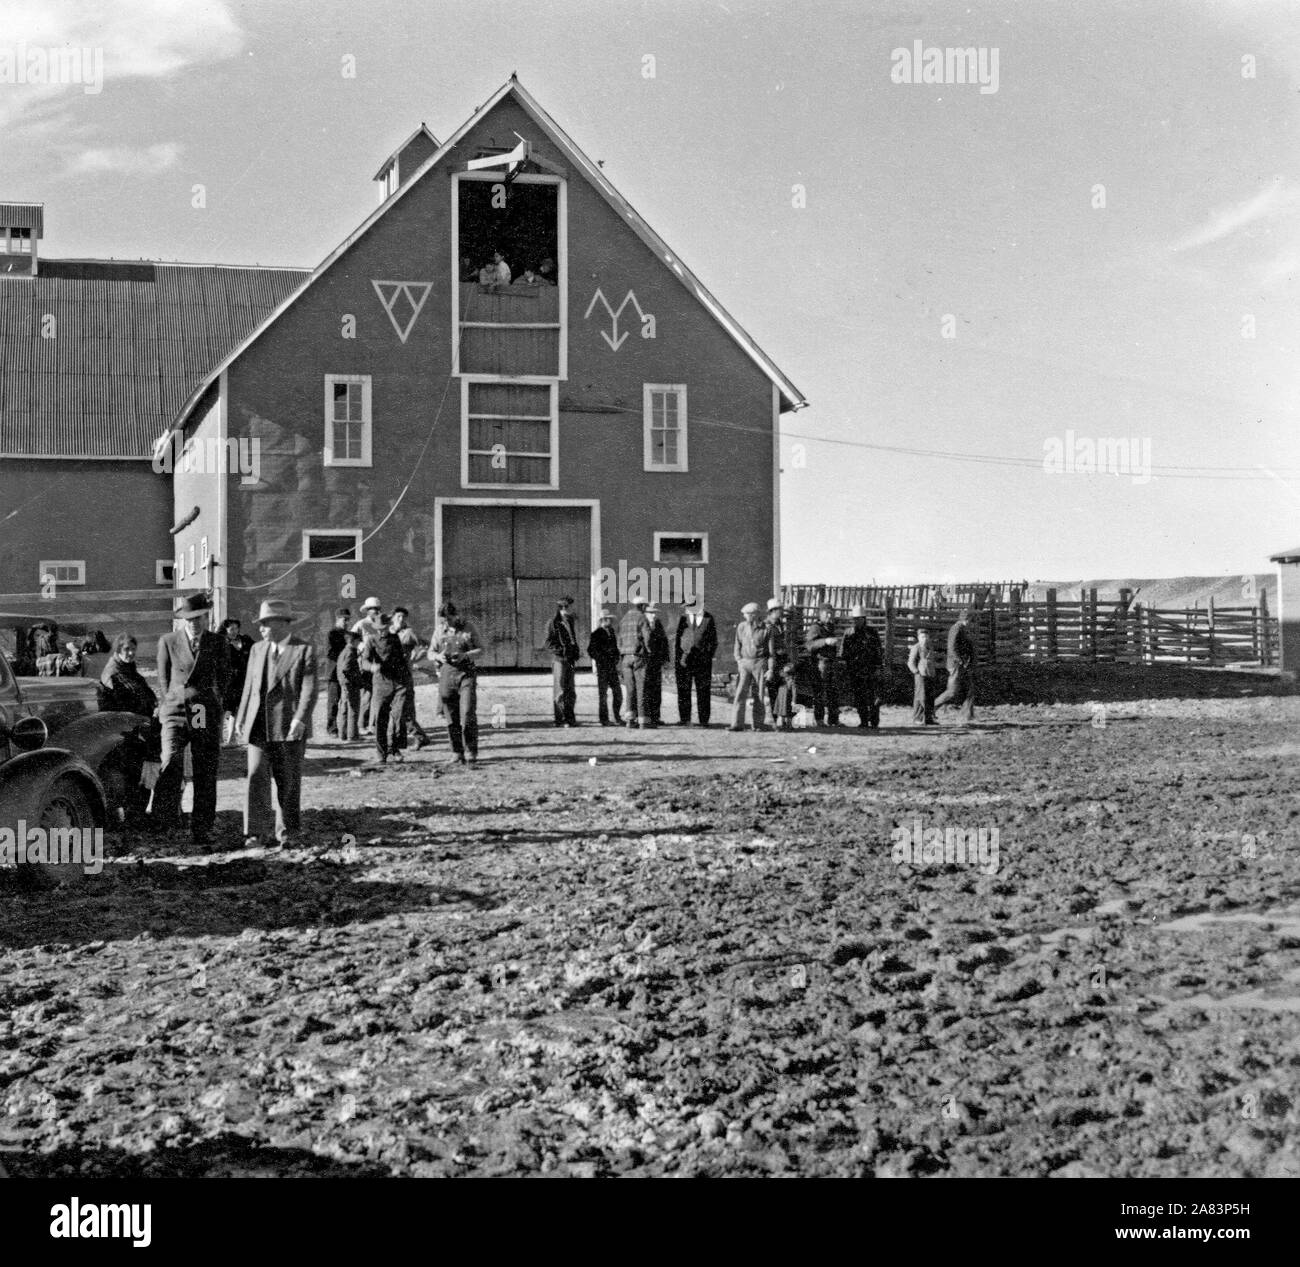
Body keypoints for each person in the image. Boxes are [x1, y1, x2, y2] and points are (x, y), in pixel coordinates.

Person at [234, 599, 317, 848]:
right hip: (258, 725)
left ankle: (288, 833)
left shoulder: (303, 650)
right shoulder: (257, 649)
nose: (261, 629)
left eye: (265, 624)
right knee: (256, 775)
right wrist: (240, 718)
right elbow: (249, 686)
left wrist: (300, 719)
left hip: (288, 727)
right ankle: (255, 833)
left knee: (288, 780)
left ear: (281, 624)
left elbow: (310, 690)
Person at [153, 592, 231, 847]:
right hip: (175, 712)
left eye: (199, 618)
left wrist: (220, 707)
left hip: (201, 713)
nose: (194, 623)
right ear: (182, 620)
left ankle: (202, 828)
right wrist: (169, 701)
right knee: (171, 763)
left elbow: (225, 678)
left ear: (207, 617)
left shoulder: (217, 642)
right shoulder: (168, 641)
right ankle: (165, 822)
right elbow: (163, 678)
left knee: (204, 769)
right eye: (190, 619)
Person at [98, 633, 161, 825]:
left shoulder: (129, 671)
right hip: (125, 734)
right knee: (131, 777)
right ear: (118, 650)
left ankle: (136, 815)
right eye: (127, 649)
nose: (131, 653)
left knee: (141, 774)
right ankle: (132, 817)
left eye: (133, 649)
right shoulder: (114, 673)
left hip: (138, 729)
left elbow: (146, 695)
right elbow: (127, 700)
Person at [429, 602, 482, 764]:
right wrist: (438, 657)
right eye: (443, 620)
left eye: (449, 619)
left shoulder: (469, 627)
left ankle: (471, 749)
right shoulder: (439, 631)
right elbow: (431, 652)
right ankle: (456, 751)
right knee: (450, 715)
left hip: (466, 673)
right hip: (447, 673)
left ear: (456, 615)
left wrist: (464, 655)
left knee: (467, 712)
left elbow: (481, 650)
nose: (446, 623)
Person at [363, 610, 411, 765]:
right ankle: (381, 753)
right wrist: (372, 667)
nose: (382, 630)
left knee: (398, 716)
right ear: (376, 628)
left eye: (385, 627)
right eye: (380, 628)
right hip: (381, 683)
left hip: (398, 682)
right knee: (380, 719)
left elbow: (402, 660)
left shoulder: (395, 638)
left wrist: (406, 677)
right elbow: (364, 662)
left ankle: (394, 748)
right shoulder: (371, 641)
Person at [674, 595, 717, 726]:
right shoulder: (682, 619)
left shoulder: (709, 619)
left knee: (703, 690)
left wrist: (707, 656)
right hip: (684, 661)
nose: (687, 609)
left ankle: (704, 720)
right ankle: (684, 719)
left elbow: (713, 642)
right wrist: (679, 658)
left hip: (702, 662)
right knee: (683, 690)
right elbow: (677, 640)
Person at [391, 606, 431, 749]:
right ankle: (410, 739)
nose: (401, 619)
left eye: (403, 617)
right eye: (398, 616)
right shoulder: (388, 632)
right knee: (397, 710)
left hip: (404, 676)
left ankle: (418, 736)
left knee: (404, 709)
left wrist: (414, 659)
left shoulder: (408, 633)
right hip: (389, 677)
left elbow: (428, 646)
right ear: (392, 617)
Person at [729, 602, 771, 731]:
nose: (745, 616)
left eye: (747, 614)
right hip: (745, 663)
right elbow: (737, 645)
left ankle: (758, 724)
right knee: (740, 693)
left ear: (755, 615)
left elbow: (771, 652)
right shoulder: (741, 627)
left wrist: (770, 668)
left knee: (759, 694)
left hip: (759, 663)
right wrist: (739, 660)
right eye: (745, 614)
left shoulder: (766, 629)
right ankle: (736, 724)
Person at [840, 605, 883, 729]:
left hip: (870, 669)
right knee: (859, 697)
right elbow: (843, 653)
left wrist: (878, 667)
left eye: (860, 618)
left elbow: (878, 651)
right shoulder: (848, 633)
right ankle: (864, 721)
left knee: (873, 697)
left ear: (864, 618)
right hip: (855, 670)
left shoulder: (872, 632)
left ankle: (874, 721)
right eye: (855, 619)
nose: (857, 621)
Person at [934, 609, 977, 723]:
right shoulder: (956, 629)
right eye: (969, 620)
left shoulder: (963, 629)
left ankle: (967, 715)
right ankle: (930, 709)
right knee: (952, 691)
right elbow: (951, 648)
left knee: (970, 689)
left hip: (962, 664)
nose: (970, 623)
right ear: (964, 619)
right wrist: (961, 661)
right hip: (955, 665)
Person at [805, 602, 842, 727]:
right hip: (820, 664)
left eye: (831, 613)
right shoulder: (816, 627)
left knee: (834, 692)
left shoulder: (831, 627)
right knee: (820, 692)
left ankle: (833, 720)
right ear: (820, 614)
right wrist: (825, 641)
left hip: (832, 662)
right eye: (827, 613)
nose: (830, 616)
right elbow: (809, 645)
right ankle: (819, 719)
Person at [351, 598, 385, 733]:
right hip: (365, 663)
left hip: (379, 663)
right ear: (367, 610)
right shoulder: (361, 624)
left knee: (379, 694)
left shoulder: (381, 623)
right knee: (367, 694)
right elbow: (351, 639)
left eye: (377, 609)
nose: (375, 611)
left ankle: (374, 724)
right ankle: (361, 725)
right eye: (372, 609)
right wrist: (361, 646)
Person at [546, 595, 581, 727]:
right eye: (566, 607)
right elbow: (548, 643)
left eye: (569, 606)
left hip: (570, 659)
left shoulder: (570, 621)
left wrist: (574, 652)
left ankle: (570, 718)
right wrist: (561, 651)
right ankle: (560, 720)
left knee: (571, 690)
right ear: (561, 608)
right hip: (560, 660)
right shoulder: (553, 622)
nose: (568, 609)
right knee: (560, 690)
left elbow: (573, 640)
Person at [618, 599, 653, 728]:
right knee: (641, 688)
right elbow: (647, 637)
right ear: (642, 606)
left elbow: (619, 639)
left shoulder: (624, 619)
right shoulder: (642, 617)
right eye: (645, 606)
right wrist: (649, 651)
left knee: (630, 689)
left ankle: (629, 720)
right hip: (638, 656)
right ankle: (643, 721)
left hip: (625, 657)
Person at [219, 618, 254, 745]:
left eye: (236, 628)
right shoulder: (220, 642)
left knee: (236, 708)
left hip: (242, 679)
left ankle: (231, 737)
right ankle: (219, 739)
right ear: (225, 629)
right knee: (223, 708)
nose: (234, 631)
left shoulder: (246, 640)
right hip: (226, 680)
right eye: (231, 629)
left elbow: (256, 651)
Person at [586, 609, 623, 725]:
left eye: (610, 619)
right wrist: (601, 659)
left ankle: (617, 716)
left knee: (618, 693)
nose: (609, 621)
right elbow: (591, 651)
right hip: (602, 668)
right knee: (603, 695)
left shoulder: (611, 632)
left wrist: (616, 657)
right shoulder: (596, 634)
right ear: (602, 620)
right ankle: (604, 719)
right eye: (607, 619)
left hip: (612, 668)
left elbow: (615, 648)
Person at [762, 598, 794, 724]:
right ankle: (774, 719)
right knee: (772, 690)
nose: (781, 612)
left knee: (785, 687)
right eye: (779, 610)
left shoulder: (780, 624)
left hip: (782, 660)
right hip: (771, 660)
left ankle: (783, 717)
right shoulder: (766, 625)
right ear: (772, 611)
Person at [324, 607, 351, 737]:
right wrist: (343, 657)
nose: (346, 622)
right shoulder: (332, 634)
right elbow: (329, 653)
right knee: (334, 702)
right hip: (334, 673)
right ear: (337, 619)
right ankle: (332, 728)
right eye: (344, 619)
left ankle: (350, 729)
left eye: (348, 620)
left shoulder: (349, 634)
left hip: (346, 673)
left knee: (349, 701)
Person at [643, 604, 670, 726]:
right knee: (646, 690)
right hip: (644, 662)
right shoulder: (642, 623)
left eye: (654, 613)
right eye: (650, 613)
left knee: (656, 690)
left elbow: (664, 641)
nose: (653, 615)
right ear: (645, 613)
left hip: (656, 662)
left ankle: (656, 716)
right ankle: (647, 716)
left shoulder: (657, 624)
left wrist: (665, 659)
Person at [336, 629, 364, 741]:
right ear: (353, 641)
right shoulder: (350, 651)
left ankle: (342, 734)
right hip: (350, 684)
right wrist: (355, 680)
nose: (359, 643)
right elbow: (346, 669)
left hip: (344, 683)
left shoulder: (344, 651)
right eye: (358, 641)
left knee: (344, 709)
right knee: (353, 709)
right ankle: (352, 735)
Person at [908, 628, 939, 726]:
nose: (924, 639)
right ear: (918, 638)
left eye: (926, 636)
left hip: (930, 674)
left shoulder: (930, 647)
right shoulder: (916, 647)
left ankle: (928, 718)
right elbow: (910, 662)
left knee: (930, 697)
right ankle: (917, 718)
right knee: (920, 696)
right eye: (922, 637)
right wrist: (916, 671)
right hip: (920, 675)